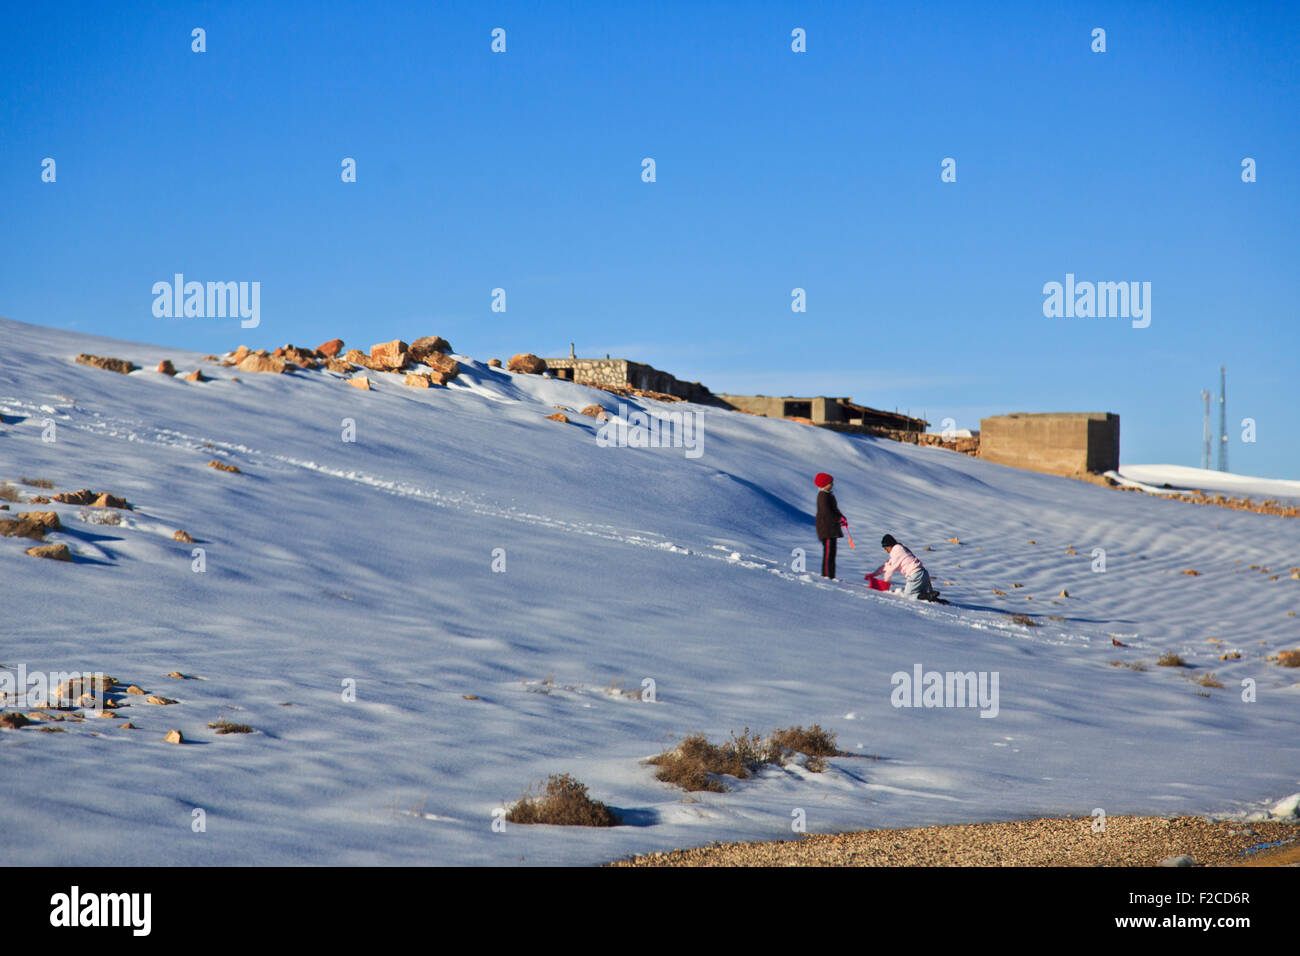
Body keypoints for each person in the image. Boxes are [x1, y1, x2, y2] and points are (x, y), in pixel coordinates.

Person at [868, 533, 940, 601]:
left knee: (908, 596)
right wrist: (873, 574)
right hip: (923, 574)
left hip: (915, 575)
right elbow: (886, 566)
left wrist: (885, 582)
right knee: (922, 596)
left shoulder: (896, 551)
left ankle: (929, 596)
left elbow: (890, 569)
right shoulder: (901, 550)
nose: (886, 551)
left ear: (889, 545)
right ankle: (932, 598)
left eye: (885, 548)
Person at [814, 472, 846, 578]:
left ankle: (830, 575)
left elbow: (834, 510)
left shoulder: (828, 495)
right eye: (830, 483)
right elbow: (826, 512)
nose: (832, 485)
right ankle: (827, 575)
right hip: (826, 529)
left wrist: (841, 517)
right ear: (824, 484)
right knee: (828, 554)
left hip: (831, 529)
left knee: (832, 553)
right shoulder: (822, 495)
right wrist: (838, 519)